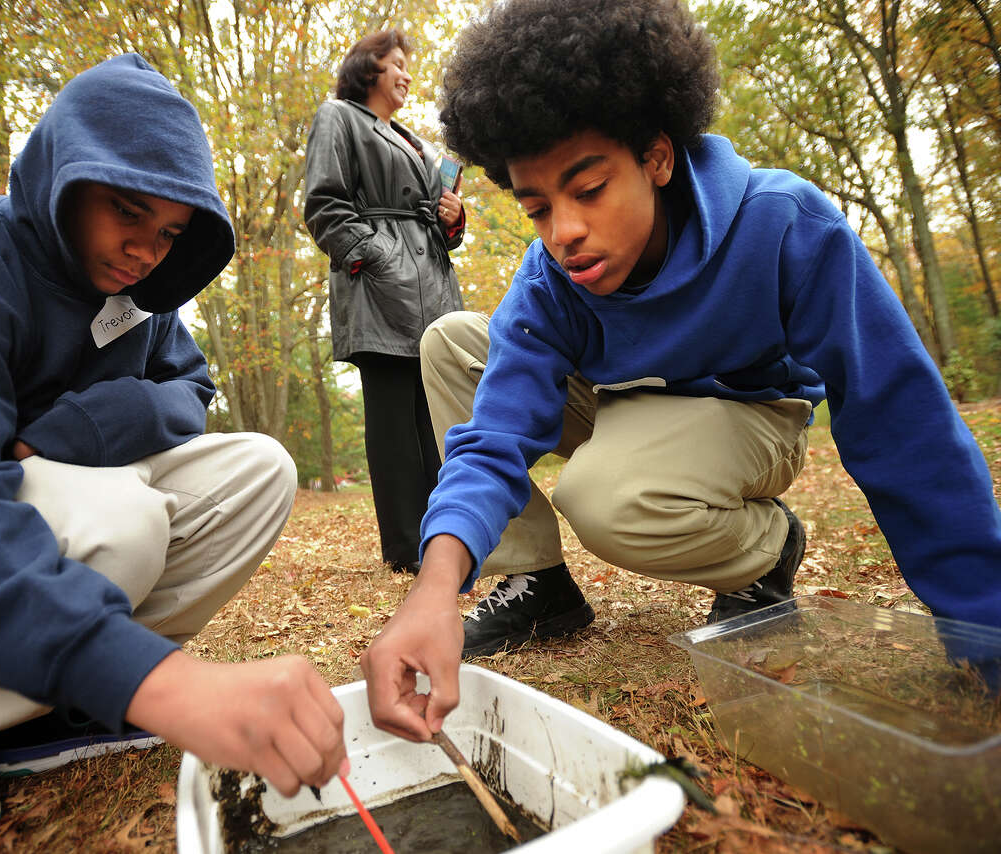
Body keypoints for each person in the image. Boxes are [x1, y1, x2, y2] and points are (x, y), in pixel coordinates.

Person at [360, 0, 1001, 741]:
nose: (565, 231)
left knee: (602, 493)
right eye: (538, 208)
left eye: (589, 189)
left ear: (657, 158)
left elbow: (900, 420)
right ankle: (538, 578)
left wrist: (983, 629)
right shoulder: (552, 277)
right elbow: (495, 431)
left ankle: (767, 550)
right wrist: (436, 589)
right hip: (628, 405)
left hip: (752, 413)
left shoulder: (786, 226)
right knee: (453, 341)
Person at [0, 54, 347, 853]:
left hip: (38, 509)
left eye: (169, 233)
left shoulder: (135, 295)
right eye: (126, 211)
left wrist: (87, 427)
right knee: (120, 519)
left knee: (260, 469)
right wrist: (166, 688)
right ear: (63, 175)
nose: (145, 251)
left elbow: (187, 389)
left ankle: (55, 707)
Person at [304, 28, 466, 575]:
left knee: (431, 418)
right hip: (382, 287)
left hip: (433, 287)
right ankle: (404, 547)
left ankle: (440, 538)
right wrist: (376, 259)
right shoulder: (339, 117)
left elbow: (436, 227)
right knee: (395, 418)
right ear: (368, 67)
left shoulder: (415, 141)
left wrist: (452, 218)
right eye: (396, 63)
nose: (406, 74)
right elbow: (325, 204)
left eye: (407, 65)